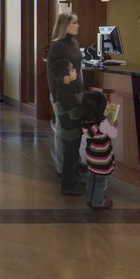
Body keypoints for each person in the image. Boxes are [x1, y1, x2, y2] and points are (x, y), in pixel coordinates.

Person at [45, 12, 85, 174]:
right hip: (62, 93)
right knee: (63, 130)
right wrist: (54, 97)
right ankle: (62, 168)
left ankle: (75, 161)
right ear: (65, 25)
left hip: (77, 91)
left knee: (76, 129)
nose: (78, 25)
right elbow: (50, 74)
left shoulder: (74, 43)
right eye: (74, 23)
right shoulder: (57, 45)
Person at [49, 58, 85, 195]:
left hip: (72, 130)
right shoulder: (65, 93)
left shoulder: (65, 88)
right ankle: (68, 186)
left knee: (74, 156)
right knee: (70, 159)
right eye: (72, 70)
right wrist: (84, 110)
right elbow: (73, 113)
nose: (75, 71)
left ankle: (74, 180)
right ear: (66, 76)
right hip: (70, 131)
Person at [82, 90, 118, 209]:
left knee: (92, 177)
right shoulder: (103, 125)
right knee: (101, 181)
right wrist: (113, 126)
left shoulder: (85, 122)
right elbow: (113, 134)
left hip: (91, 156)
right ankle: (98, 202)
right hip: (102, 159)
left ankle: (90, 198)